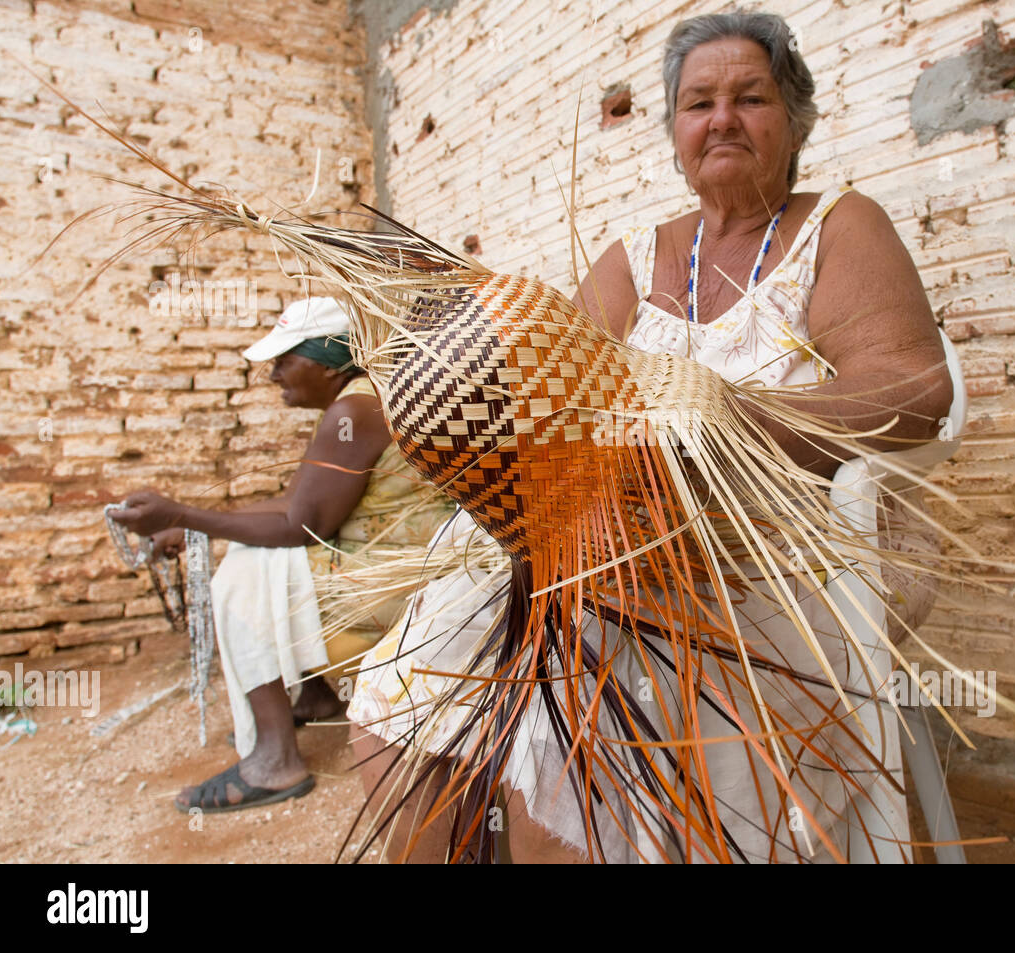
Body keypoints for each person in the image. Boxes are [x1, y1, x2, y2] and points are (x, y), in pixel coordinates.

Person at [345, 10, 957, 862]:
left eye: (751, 96)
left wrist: (720, 423)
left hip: (770, 542)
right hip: (603, 531)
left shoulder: (841, 226)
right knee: (420, 666)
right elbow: (551, 395)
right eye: (698, 102)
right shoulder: (634, 257)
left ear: (796, 118)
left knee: (571, 696)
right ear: (674, 130)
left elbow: (913, 389)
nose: (722, 119)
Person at [110, 297, 454, 813]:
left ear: (328, 361)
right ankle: (316, 697)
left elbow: (299, 526)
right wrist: (191, 520)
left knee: (244, 574)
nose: (273, 375)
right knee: (258, 553)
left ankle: (274, 762)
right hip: (393, 561)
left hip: (395, 581)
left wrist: (183, 517)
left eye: (284, 360)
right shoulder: (361, 399)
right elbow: (305, 503)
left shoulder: (354, 411)